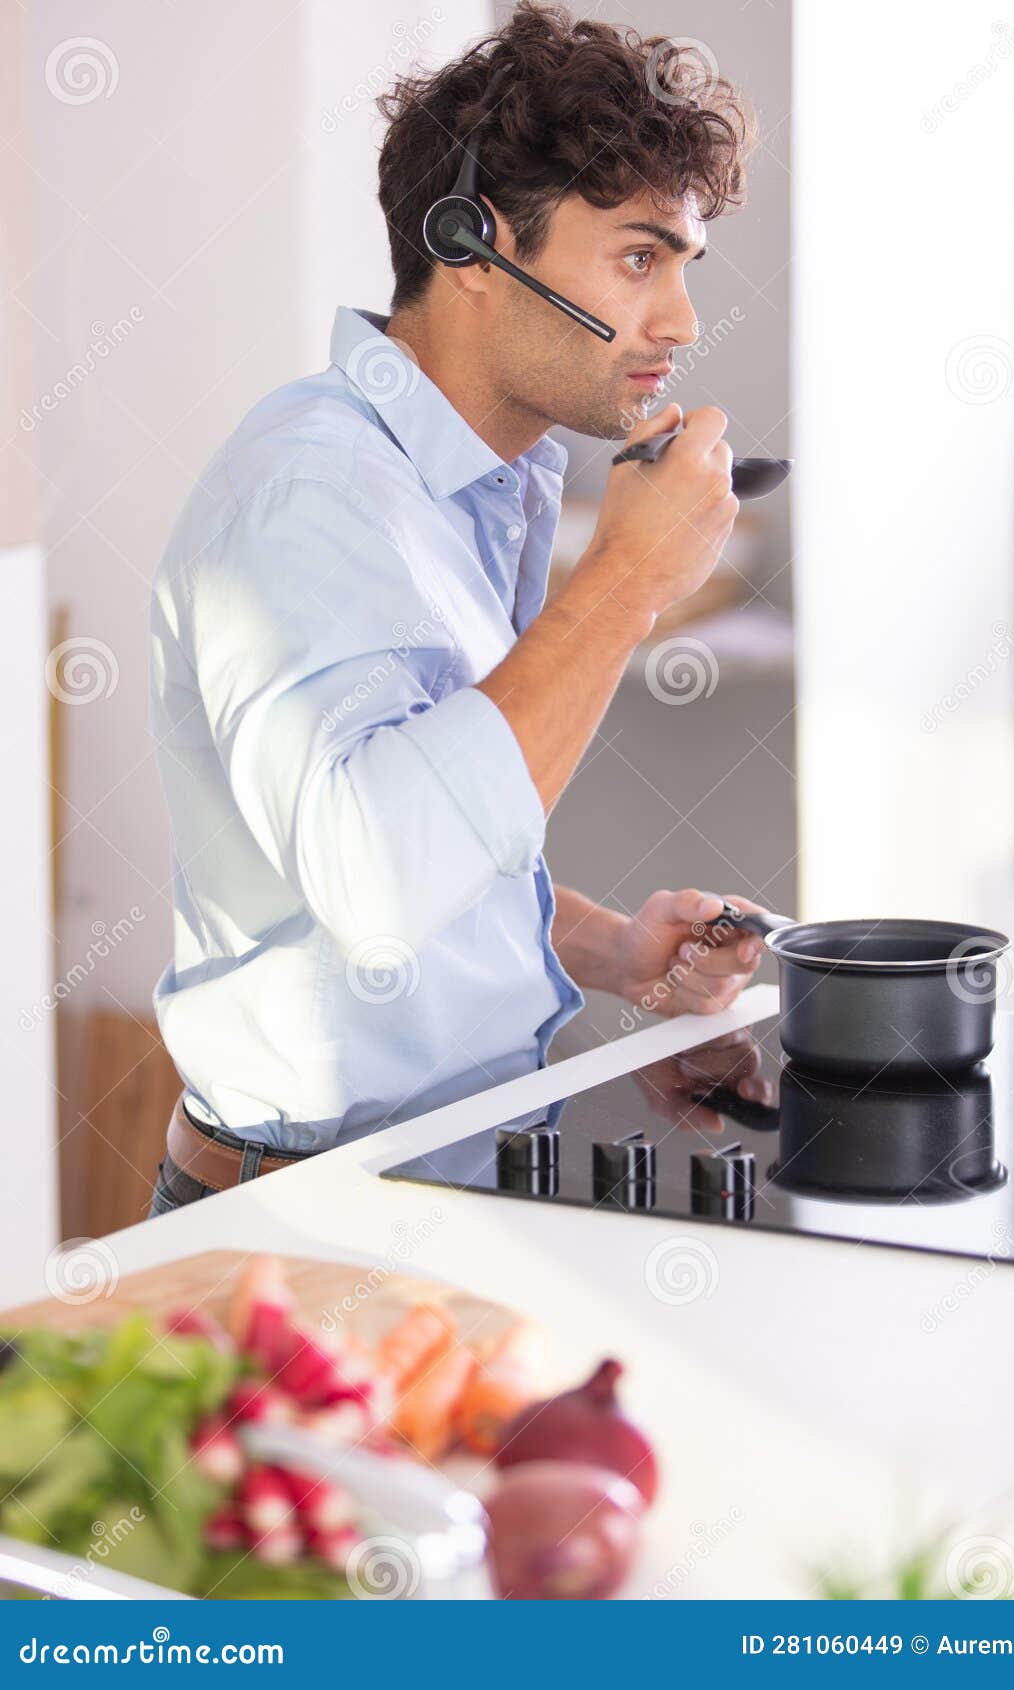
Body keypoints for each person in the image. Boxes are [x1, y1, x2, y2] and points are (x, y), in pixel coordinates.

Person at [147, 2, 765, 1215]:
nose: (683, 323)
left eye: (685, 267)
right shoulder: (310, 495)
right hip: (310, 1219)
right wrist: (627, 584)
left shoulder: (485, 481)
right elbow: (376, 885)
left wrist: (601, 949)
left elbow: (412, 809)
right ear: (470, 244)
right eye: (639, 258)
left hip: (446, 1183)